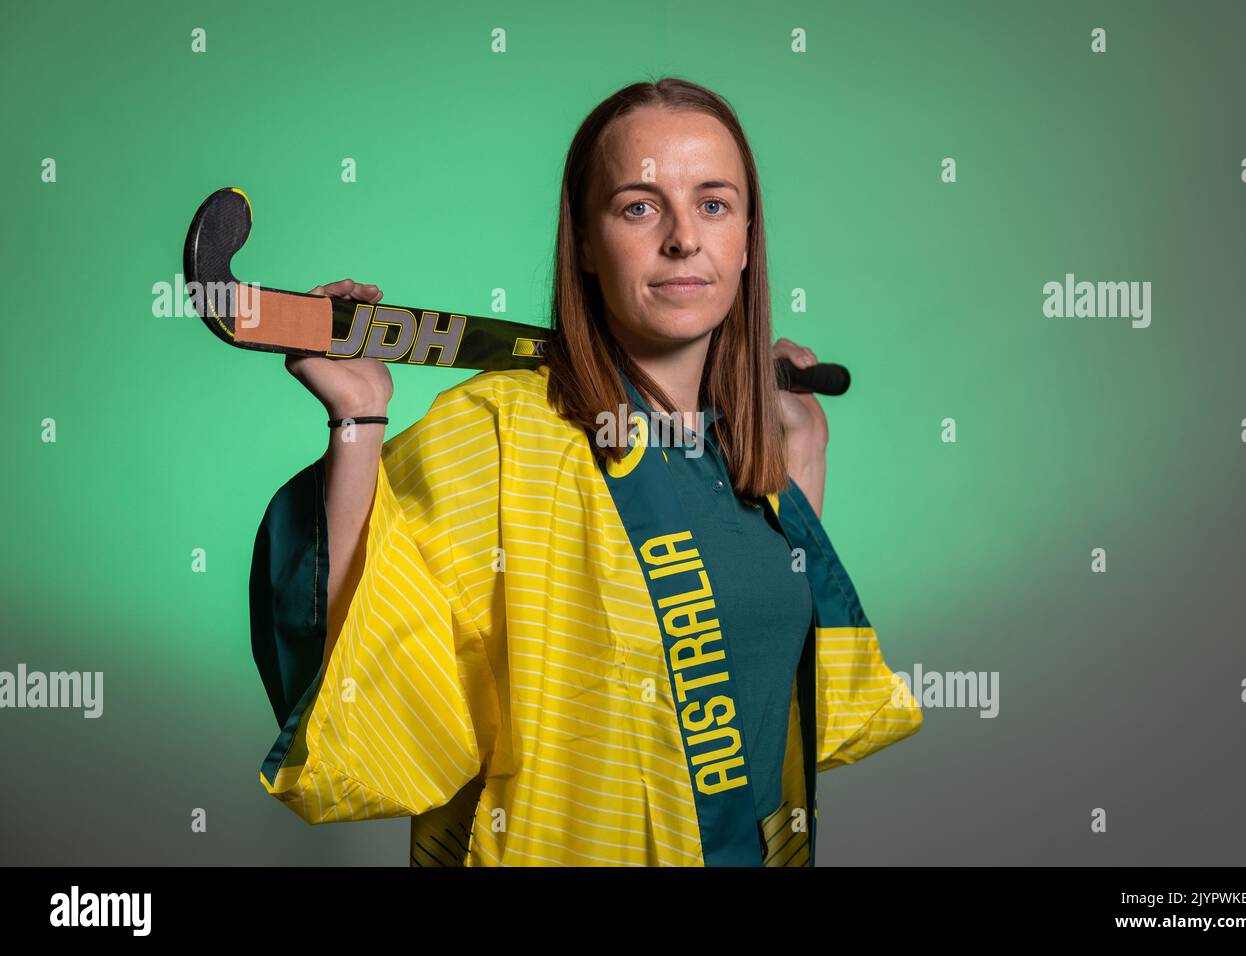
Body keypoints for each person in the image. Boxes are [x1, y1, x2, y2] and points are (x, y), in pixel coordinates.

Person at [250, 77, 922, 867]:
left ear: (747, 239)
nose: (682, 239)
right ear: (585, 243)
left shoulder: (749, 450)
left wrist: (801, 454)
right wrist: (358, 419)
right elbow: (365, 681)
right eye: (639, 206)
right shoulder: (500, 430)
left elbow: (778, 695)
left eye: (713, 204)